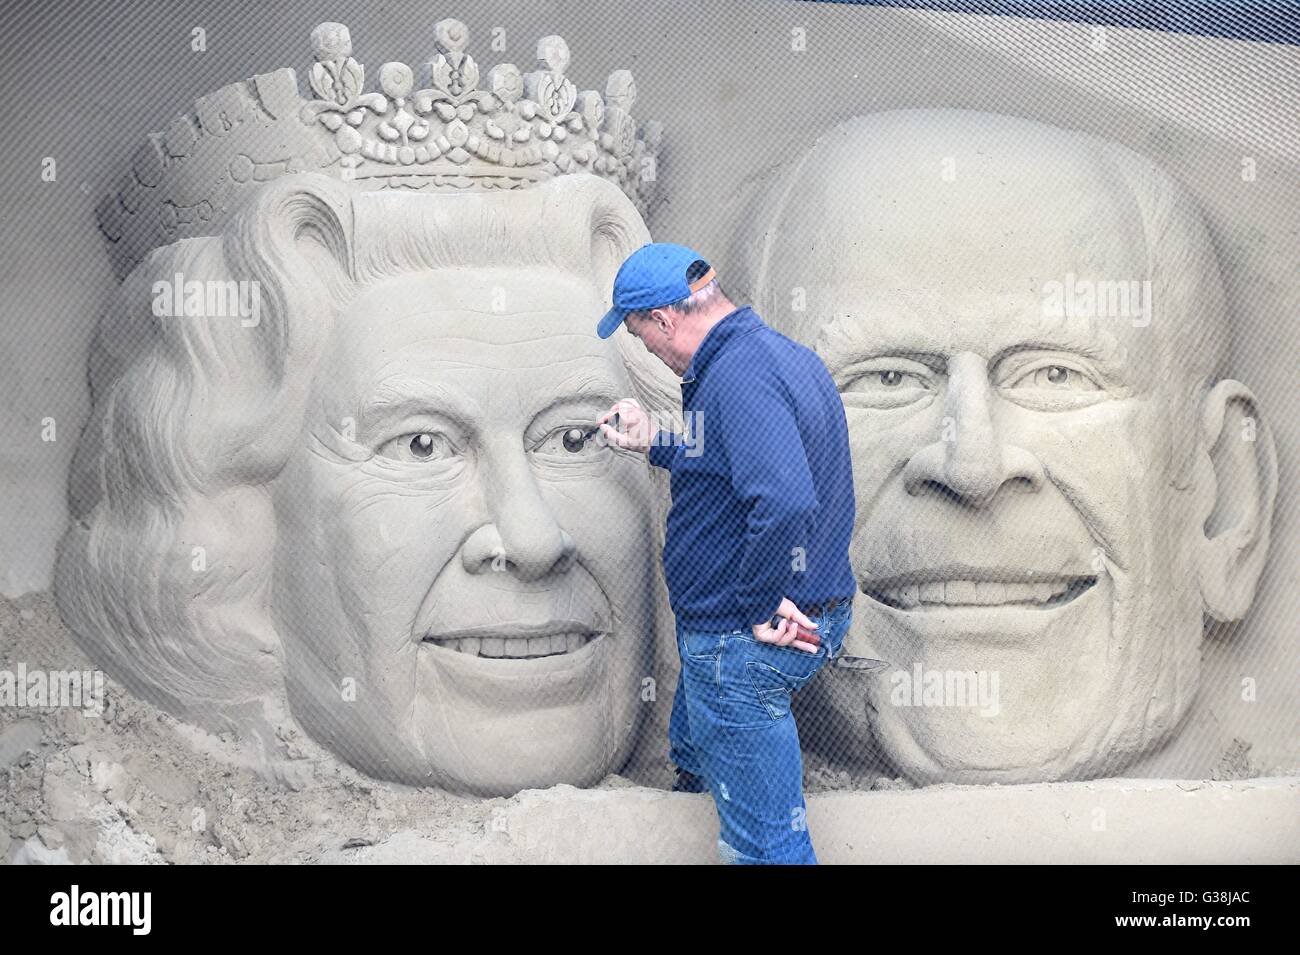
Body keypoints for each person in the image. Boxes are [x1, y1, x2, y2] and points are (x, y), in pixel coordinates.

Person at [594, 241, 857, 864]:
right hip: (764, 626)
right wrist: (654, 438)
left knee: (768, 848)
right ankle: (696, 788)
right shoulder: (777, 358)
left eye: (641, 336)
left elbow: (786, 499)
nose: (649, 351)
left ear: (664, 319)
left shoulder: (736, 376)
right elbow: (737, 451)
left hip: (747, 642)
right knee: (693, 747)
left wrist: (763, 604)